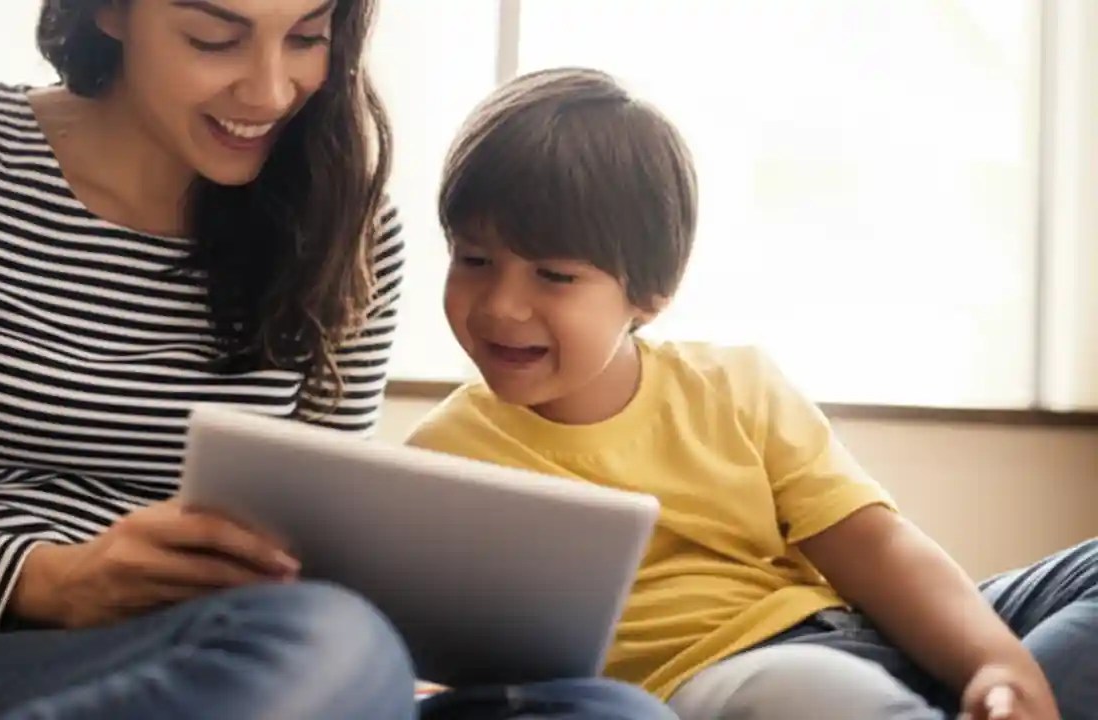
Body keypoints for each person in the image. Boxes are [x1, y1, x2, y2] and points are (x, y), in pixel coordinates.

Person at [0, 2, 671, 718]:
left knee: (606, 709)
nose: (270, 91)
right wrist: (47, 581)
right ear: (110, 11)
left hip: (228, 653)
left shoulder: (351, 231)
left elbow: (321, 555)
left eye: (307, 36)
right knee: (324, 639)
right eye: (213, 38)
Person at [407, 66, 1098, 720]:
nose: (500, 305)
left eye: (553, 275)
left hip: (860, 633)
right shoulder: (441, 457)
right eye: (473, 260)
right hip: (731, 673)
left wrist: (994, 664)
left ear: (649, 293)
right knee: (824, 691)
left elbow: (873, 546)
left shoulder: (733, 385)